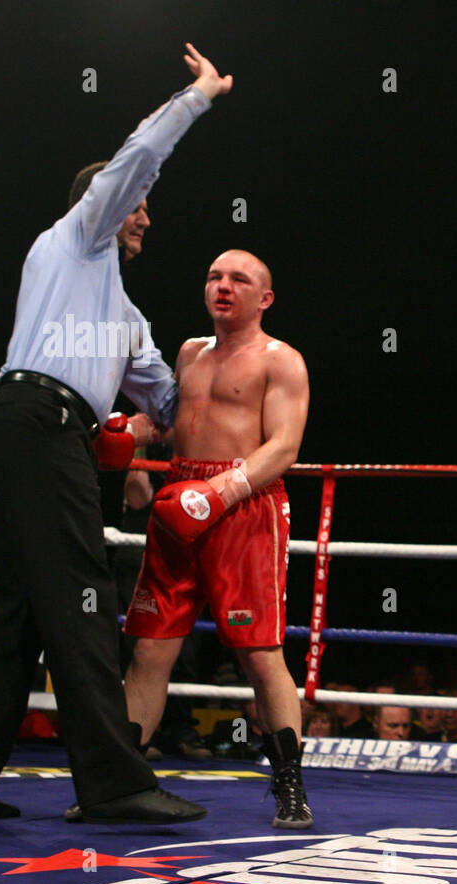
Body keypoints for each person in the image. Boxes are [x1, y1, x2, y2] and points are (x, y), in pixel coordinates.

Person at [0, 45, 231, 824]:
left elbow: (161, 390)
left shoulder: (118, 310)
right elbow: (136, 156)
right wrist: (198, 96)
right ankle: (114, 782)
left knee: (18, 616)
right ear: (108, 202)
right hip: (37, 425)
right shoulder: (77, 237)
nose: (147, 215)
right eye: (139, 203)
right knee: (84, 599)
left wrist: (205, 396)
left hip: (50, 436)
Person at [115, 248, 311, 828]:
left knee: (257, 652)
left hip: (244, 506)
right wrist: (129, 431)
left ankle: (289, 785)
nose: (223, 286)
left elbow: (283, 447)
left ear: (264, 298)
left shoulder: (282, 360)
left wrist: (222, 490)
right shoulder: (188, 353)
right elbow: (174, 422)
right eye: (214, 277)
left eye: (239, 279)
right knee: (150, 646)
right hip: (179, 500)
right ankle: (120, 783)